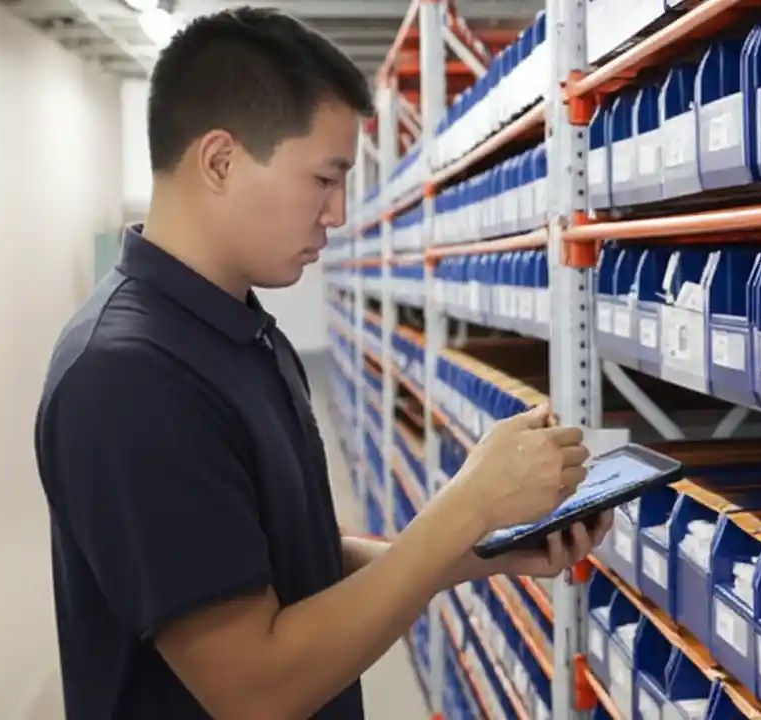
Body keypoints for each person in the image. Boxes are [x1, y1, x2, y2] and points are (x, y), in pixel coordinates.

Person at [33, 8, 610, 719]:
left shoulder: (241, 333)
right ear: (220, 161)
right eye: (324, 179)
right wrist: (469, 503)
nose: (337, 213)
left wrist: (481, 546)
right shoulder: (128, 378)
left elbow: (289, 560)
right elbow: (256, 690)